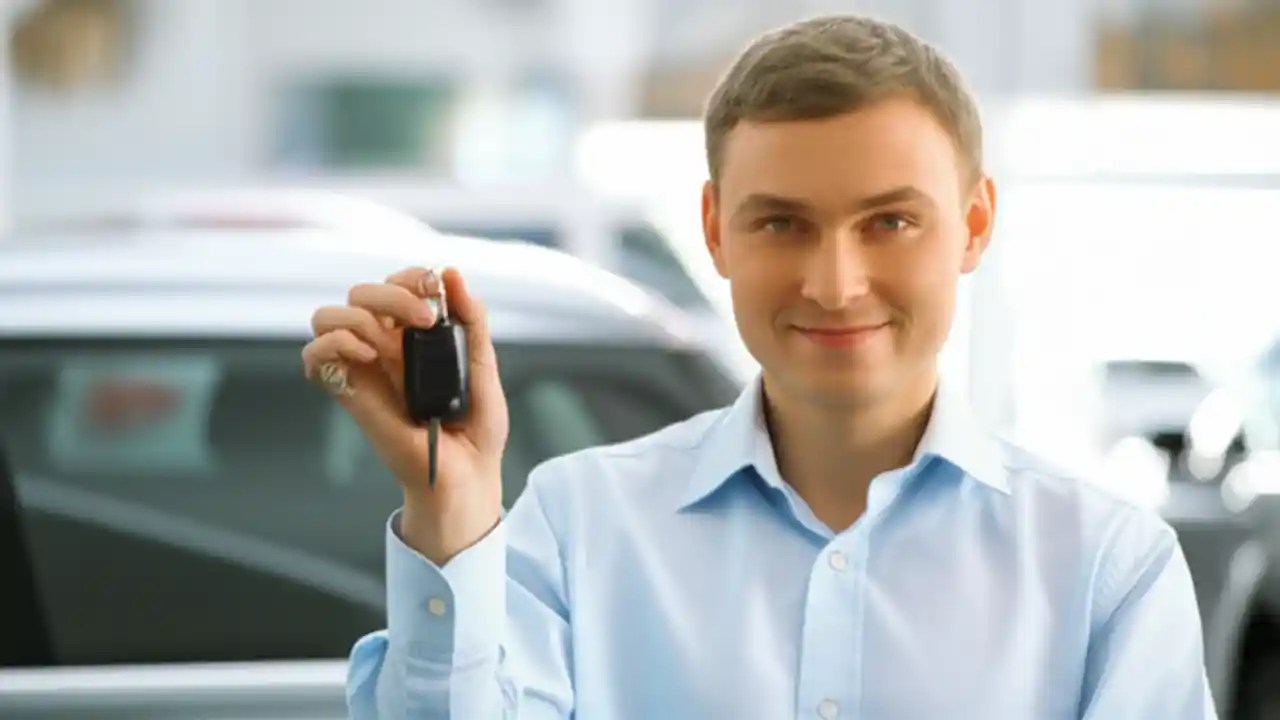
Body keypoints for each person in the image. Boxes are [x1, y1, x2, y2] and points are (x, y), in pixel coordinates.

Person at [303, 14, 1216, 720]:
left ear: (974, 225)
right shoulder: (578, 533)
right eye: (782, 222)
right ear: (715, 231)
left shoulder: (1105, 570)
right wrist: (452, 512)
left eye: (890, 222)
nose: (834, 283)